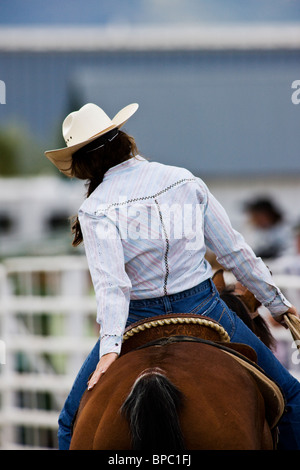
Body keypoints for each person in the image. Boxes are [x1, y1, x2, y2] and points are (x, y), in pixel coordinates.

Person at [45, 102, 300, 450]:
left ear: (83, 166)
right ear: (124, 139)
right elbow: (233, 251)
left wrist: (110, 350)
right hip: (203, 307)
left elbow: (114, 287)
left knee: (69, 421)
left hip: (137, 316)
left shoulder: (95, 208)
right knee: (292, 398)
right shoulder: (182, 179)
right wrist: (278, 304)